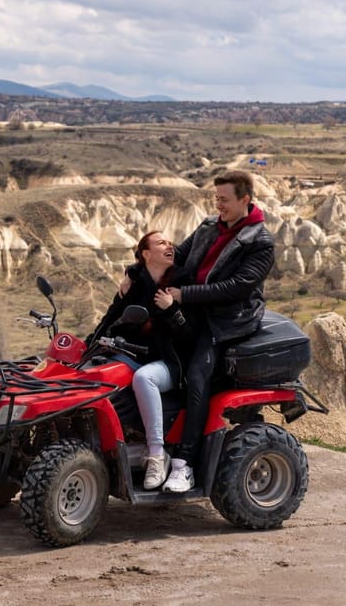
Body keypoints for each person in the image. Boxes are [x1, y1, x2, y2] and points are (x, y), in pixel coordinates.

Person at [161, 170, 275, 493]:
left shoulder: (261, 242)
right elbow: (177, 258)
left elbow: (235, 289)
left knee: (198, 375)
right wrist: (141, 268)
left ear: (245, 200)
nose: (218, 205)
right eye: (216, 199)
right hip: (198, 311)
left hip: (227, 320)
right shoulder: (210, 226)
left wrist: (184, 295)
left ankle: (184, 465)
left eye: (224, 200)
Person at [86, 231, 192, 490]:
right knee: (93, 374)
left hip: (170, 362)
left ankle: (156, 454)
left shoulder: (181, 282)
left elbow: (190, 334)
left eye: (169, 242)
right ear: (146, 254)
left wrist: (172, 309)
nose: (169, 245)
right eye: (161, 243)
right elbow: (110, 318)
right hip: (132, 355)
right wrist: (88, 347)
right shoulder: (135, 283)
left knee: (143, 379)